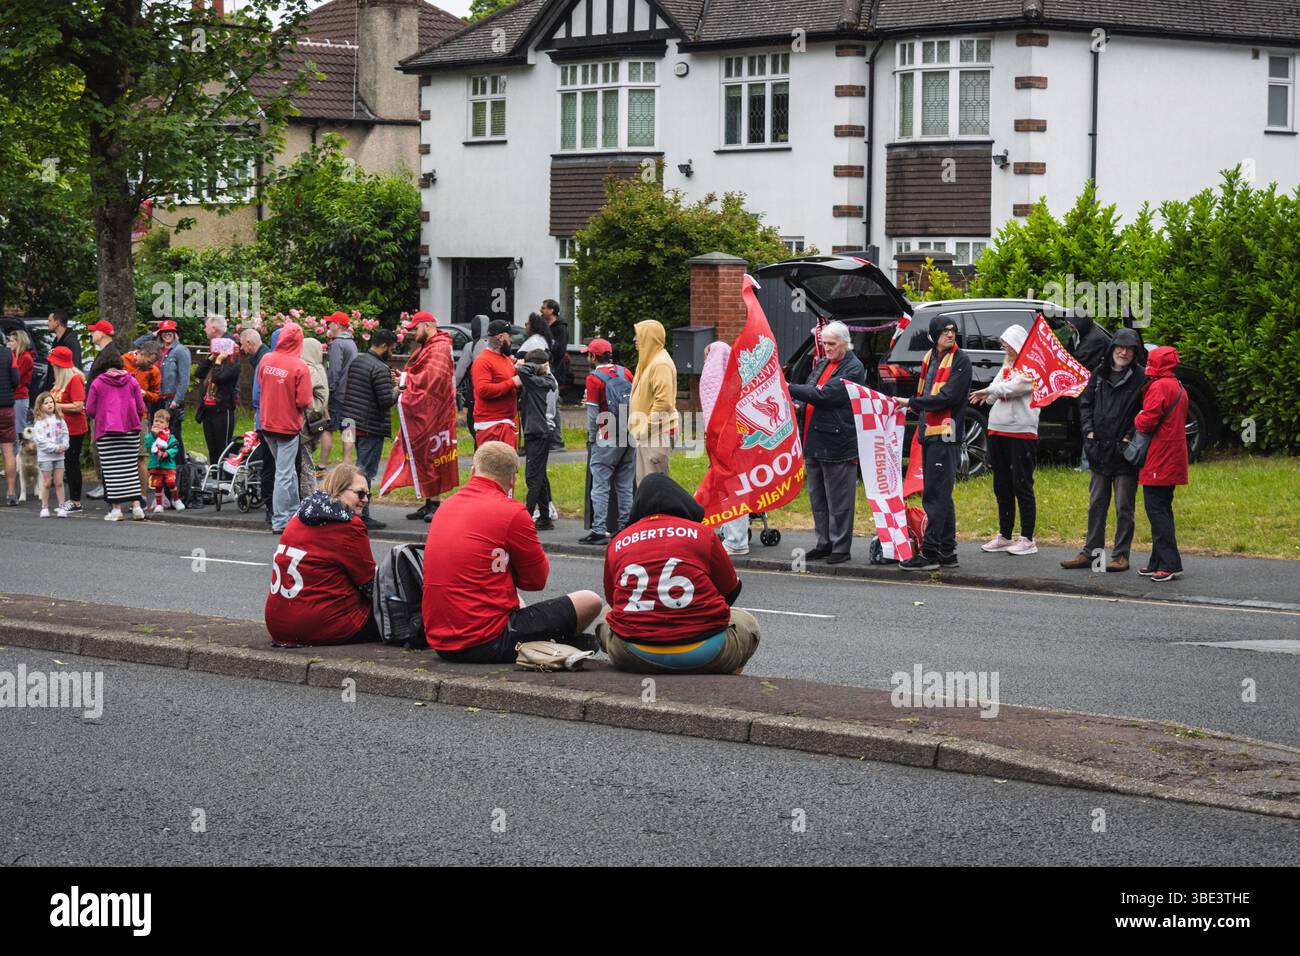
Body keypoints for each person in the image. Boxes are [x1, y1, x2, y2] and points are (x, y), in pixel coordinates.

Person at [422, 441, 603, 662]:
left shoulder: (445, 507)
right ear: (513, 479)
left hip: (441, 640)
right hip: (486, 640)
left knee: (508, 591)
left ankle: (549, 644)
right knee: (590, 600)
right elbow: (536, 581)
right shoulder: (512, 512)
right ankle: (549, 647)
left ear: (472, 471)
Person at [596, 473, 760, 674]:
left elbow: (614, 601)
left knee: (606, 614)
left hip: (632, 654)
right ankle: (724, 681)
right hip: (705, 652)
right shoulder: (703, 533)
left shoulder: (618, 542)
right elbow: (731, 591)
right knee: (747, 622)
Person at [264, 464, 380, 647]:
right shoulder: (349, 525)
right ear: (339, 491)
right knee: (399, 617)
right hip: (318, 625)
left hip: (277, 624)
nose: (365, 500)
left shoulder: (300, 514)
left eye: (368, 495)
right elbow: (370, 585)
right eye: (360, 493)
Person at [1062, 328, 1147, 573]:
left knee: (1124, 507)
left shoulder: (1141, 379)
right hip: (1098, 450)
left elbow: (1144, 413)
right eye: (1120, 348)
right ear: (1112, 350)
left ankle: (1121, 555)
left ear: (1135, 352)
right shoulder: (1098, 374)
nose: (1123, 352)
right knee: (1096, 504)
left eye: (1129, 349)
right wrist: (1088, 430)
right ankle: (1091, 553)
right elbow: (1085, 403)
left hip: (1124, 455)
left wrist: (1129, 437)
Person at [897, 313, 972, 571]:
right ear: (934, 335)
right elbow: (926, 392)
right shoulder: (930, 358)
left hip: (946, 434)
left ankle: (929, 553)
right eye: (945, 331)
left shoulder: (961, 361)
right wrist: (911, 409)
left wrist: (911, 403)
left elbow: (947, 398)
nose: (950, 334)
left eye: (952, 331)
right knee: (942, 494)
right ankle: (947, 552)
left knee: (934, 496)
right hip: (929, 432)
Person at [788, 321, 865, 565]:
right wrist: (798, 404)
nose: (827, 349)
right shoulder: (823, 364)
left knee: (839, 499)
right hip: (814, 438)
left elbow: (826, 395)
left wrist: (789, 387)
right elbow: (813, 390)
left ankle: (841, 547)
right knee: (818, 497)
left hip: (838, 442)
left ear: (845, 342)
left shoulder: (853, 367)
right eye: (824, 344)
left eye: (831, 344)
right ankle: (824, 543)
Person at [969, 323, 1039, 556]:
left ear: (1018, 344)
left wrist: (991, 390)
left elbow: (1014, 388)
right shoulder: (1007, 365)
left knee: (1022, 483)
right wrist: (989, 393)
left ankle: (1027, 538)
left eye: (1007, 345)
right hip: (998, 430)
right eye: (1003, 345)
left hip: (1021, 431)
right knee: (1002, 484)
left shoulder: (1030, 367)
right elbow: (994, 392)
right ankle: (1005, 534)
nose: (1004, 349)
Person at [1134, 346, 1189, 583]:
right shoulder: (1177, 386)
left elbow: (1147, 421)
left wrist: (1136, 416)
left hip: (1160, 457)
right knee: (1163, 509)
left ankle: (1169, 564)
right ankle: (1157, 561)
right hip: (1173, 454)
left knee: (1157, 512)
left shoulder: (1158, 386)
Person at [398, 311, 456, 523]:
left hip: (435, 412)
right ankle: (429, 501)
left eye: (416, 328)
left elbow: (432, 378)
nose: (413, 333)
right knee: (424, 456)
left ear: (427, 326)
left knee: (432, 456)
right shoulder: (431, 346)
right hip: (428, 409)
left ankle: (435, 503)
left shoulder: (439, 347)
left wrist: (405, 379)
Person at [256, 322, 313, 533]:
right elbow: (305, 400)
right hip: (288, 426)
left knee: (287, 472)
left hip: (267, 423)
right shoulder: (299, 366)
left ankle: (294, 511)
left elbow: (261, 384)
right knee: (284, 473)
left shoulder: (266, 359)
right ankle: (280, 520)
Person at [343, 327, 399, 530]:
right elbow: (385, 401)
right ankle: (361, 513)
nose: (392, 352)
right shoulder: (380, 368)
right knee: (366, 472)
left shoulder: (358, 361)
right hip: (370, 426)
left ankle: (350, 507)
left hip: (352, 422)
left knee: (354, 468)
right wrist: (398, 390)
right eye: (392, 348)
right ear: (384, 346)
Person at [698, 340, 750, 555]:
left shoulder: (714, 379)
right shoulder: (738, 379)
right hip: (739, 442)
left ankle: (736, 540)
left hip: (725, 444)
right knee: (734, 489)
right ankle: (734, 535)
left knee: (731, 489)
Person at [581, 337, 634, 545]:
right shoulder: (626, 372)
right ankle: (625, 527)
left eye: (589, 354)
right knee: (624, 484)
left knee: (601, 483)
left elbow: (593, 412)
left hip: (607, 433)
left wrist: (591, 437)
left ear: (594, 356)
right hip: (628, 431)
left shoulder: (594, 378)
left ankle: (600, 530)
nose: (588, 357)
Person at [84, 353, 146, 521]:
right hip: (130, 429)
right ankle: (137, 507)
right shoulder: (132, 381)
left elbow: (89, 409)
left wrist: (103, 415)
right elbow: (141, 406)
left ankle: (116, 510)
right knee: (130, 469)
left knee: (112, 471)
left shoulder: (98, 383)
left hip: (106, 431)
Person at [629, 319, 678, 482]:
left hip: (655, 433)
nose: (634, 340)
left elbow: (664, 404)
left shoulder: (660, 363)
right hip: (649, 433)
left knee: (654, 487)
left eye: (638, 336)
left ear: (649, 338)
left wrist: (645, 429)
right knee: (645, 485)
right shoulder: (649, 360)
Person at [517, 348, 558, 531]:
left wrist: (526, 365)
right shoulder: (546, 380)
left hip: (538, 432)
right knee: (539, 476)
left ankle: (525, 520)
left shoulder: (539, 381)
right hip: (540, 431)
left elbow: (522, 371)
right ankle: (544, 517)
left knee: (532, 477)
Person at [193, 316, 240, 466]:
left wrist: (219, 361)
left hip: (222, 406)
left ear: (214, 328)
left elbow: (220, 377)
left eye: (206, 326)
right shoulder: (216, 346)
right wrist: (211, 357)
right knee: (212, 449)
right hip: (208, 408)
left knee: (222, 450)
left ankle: (224, 483)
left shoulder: (230, 346)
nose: (204, 329)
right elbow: (199, 373)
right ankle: (213, 482)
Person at [1069, 313, 1112, 470]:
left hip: (1096, 389)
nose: (1069, 327)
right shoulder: (1090, 333)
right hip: (1094, 387)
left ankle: (1088, 464)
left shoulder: (1095, 340)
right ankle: (1087, 462)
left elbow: (1078, 364)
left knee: (1089, 425)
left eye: (1072, 324)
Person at [49, 346, 87, 515]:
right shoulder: (60, 381)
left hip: (74, 428)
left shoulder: (74, 380)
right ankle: (71, 500)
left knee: (72, 463)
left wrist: (56, 406)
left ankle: (76, 502)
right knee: (67, 463)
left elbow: (79, 405)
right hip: (62, 428)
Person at [471, 319, 520, 448]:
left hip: (506, 422)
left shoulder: (506, 358)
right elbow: (483, 390)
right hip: (492, 425)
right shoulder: (483, 361)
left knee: (508, 466)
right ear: (501, 337)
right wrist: (513, 382)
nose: (511, 340)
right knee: (493, 467)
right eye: (510, 336)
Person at [124, 341, 162, 501]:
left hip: (140, 417)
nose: (151, 365)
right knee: (123, 456)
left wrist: (145, 393)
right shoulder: (123, 361)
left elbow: (156, 395)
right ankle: (123, 492)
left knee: (141, 456)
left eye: (153, 363)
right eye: (149, 362)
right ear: (140, 353)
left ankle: (142, 495)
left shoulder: (153, 371)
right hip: (120, 416)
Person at [321, 312, 357, 467]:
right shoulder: (351, 343)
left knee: (327, 429)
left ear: (337, 325)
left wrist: (328, 389)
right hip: (351, 393)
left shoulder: (337, 344)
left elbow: (334, 370)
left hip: (337, 394)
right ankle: (346, 464)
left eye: (330, 323)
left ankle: (322, 465)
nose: (328, 326)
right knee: (348, 426)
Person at [297, 336, 330, 498]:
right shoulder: (320, 368)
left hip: (305, 422)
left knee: (305, 464)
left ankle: (311, 497)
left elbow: (316, 398)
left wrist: (306, 410)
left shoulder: (308, 369)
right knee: (307, 459)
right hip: (315, 422)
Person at [31, 392, 69, 517]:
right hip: (46, 456)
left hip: (59, 456)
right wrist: (55, 448)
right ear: (40, 406)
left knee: (59, 482)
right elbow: (40, 441)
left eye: (51, 402)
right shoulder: (39, 423)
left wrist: (64, 445)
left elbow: (65, 434)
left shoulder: (60, 419)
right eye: (46, 403)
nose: (49, 405)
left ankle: (62, 507)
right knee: (47, 482)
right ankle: (45, 507)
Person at [540, 298, 570, 451]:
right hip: (548, 369)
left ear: (552, 310)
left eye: (544, 308)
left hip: (556, 370)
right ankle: (551, 437)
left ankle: (557, 440)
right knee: (548, 405)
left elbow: (560, 352)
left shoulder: (560, 329)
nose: (541, 310)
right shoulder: (546, 326)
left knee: (554, 405)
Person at [453, 314, 490, 433]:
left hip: (476, 393)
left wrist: (451, 389)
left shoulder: (471, 346)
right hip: (496, 393)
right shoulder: (495, 343)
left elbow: (459, 373)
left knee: (474, 425)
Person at [144, 409, 184, 512]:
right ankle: (159, 504)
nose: (158, 423)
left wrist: (168, 453)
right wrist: (153, 435)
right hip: (156, 465)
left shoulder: (170, 437)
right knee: (158, 484)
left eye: (161, 422)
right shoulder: (150, 436)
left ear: (167, 424)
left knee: (171, 482)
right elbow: (148, 445)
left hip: (168, 465)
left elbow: (175, 448)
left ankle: (176, 499)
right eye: (156, 421)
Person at [8, 329, 33, 465]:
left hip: (19, 397)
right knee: (11, 433)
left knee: (19, 432)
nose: (9, 343)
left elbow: (15, 378)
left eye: (12, 341)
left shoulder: (26, 358)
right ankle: (14, 462)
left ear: (19, 342)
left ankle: (23, 462)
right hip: (12, 397)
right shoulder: (13, 356)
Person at [41, 311, 82, 394]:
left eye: (49, 320)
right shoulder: (56, 341)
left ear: (57, 322)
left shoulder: (71, 342)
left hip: (64, 391)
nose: (47, 323)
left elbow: (74, 367)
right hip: (54, 389)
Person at [240, 329, 270, 430]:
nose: (241, 348)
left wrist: (258, 411)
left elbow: (259, 390)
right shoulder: (263, 356)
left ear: (248, 343)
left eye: (242, 344)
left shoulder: (263, 360)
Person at [0, 334, 18, 506]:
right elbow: (16, 380)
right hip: (5, 407)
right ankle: (11, 493)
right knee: (8, 452)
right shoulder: (8, 354)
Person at [85, 320, 122, 386]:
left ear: (101, 334)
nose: (92, 334)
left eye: (94, 331)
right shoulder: (106, 352)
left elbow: (113, 383)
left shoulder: (112, 355)